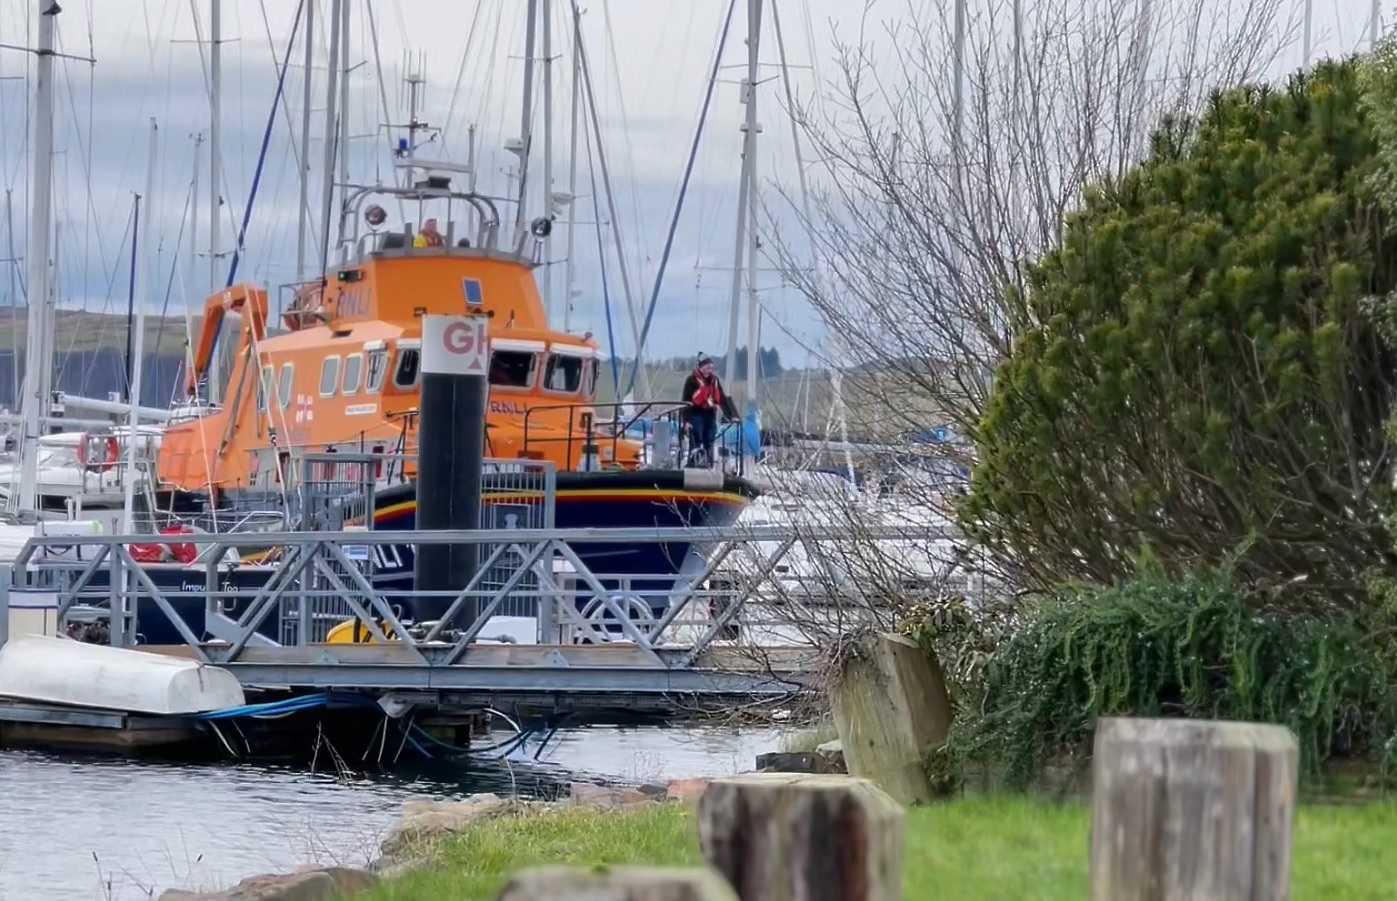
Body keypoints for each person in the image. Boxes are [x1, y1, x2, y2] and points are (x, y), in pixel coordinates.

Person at [680, 354, 738, 467]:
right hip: (696, 413)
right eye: (707, 364)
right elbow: (686, 401)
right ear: (701, 366)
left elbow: (722, 398)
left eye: (711, 365)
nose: (710, 367)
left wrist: (731, 416)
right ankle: (694, 462)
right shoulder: (691, 380)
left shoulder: (715, 380)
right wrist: (686, 421)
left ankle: (708, 462)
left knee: (710, 438)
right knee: (696, 437)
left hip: (710, 414)